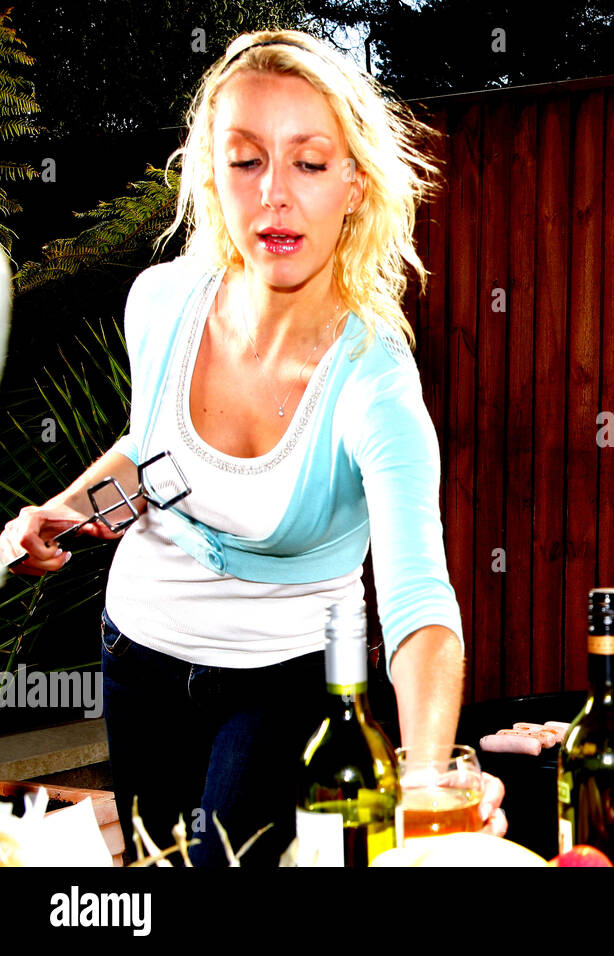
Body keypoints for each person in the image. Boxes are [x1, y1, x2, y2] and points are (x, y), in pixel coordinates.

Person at [0, 30, 504, 865]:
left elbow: (418, 601)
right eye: (245, 161)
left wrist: (424, 784)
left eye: (308, 162)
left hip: (283, 684)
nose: (274, 195)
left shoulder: (374, 380)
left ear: (354, 184)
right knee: (156, 865)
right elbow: (150, 452)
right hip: (137, 653)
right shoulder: (161, 301)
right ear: (209, 175)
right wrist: (61, 512)